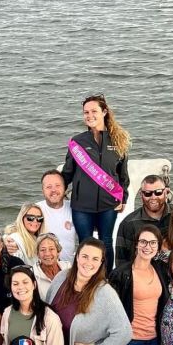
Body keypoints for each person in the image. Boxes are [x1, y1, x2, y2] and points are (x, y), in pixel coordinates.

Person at [45, 238, 132, 345]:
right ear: (77, 257)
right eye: (85, 256)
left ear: (101, 263)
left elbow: (124, 332)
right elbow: (46, 312)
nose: (89, 262)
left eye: (95, 259)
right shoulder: (61, 278)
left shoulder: (105, 293)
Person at [61, 94, 130, 272]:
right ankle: (85, 278)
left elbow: (123, 175)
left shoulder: (118, 141)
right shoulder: (77, 142)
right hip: (82, 205)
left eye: (94, 111)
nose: (89, 115)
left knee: (106, 242)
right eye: (86, 112)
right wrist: (56, 192)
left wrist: (123, 198)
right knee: (85, 243)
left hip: (108, 204)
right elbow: (67, 172)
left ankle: (106, 278)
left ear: (104, 112)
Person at [109, 225, 170, 345]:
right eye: (143, 241)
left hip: (155, 341)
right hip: (132, 342)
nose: (147, 246)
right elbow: (110, 311)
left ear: (158, 247)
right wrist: (118, 342)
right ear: (136, 244)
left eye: (152, 243)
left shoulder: (160, 269)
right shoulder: (122, 273)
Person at [115, 174, 172, 267]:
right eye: (148, 193)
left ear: (166, 192)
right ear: (141, 194)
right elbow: (121, 261)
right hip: (142, 273)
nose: (153, 197)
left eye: (158, 192)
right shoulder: (128, 224)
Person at [37, 169, 77, 263]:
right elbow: (16, 230)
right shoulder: (36, 210)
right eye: (49, 187)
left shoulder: (75, 208)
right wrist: (11, 241)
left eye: (57, 185)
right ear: (43, 191)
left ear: (65, 188)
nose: (53, 190)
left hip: (69, 266)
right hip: (42, 266)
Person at [33, 232, 71, 299]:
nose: (47, 254)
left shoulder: (68, 268)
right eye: (42, 250)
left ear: (58, 252)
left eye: (51, 249)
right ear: (38, 254)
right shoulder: (32, 274)